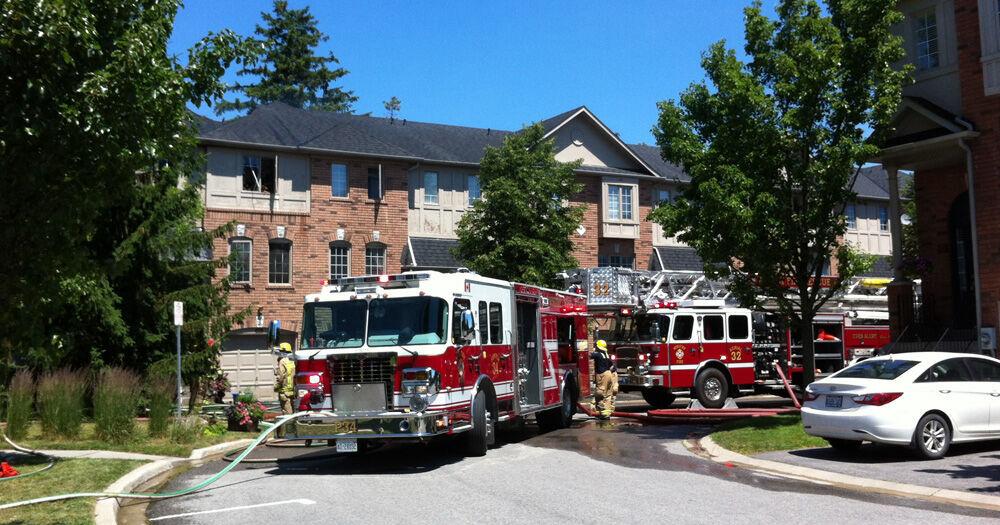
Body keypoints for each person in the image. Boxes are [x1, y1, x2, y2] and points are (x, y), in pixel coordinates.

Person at [591, 339, 618, 419]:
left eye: (596, 346)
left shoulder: (598, 354)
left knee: (600, 393)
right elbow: (611, 365)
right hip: (609, 374)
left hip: (602, 375)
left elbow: (589, 355)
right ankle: (607, 413)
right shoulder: (606, 354)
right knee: (608, 395)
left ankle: (602, 412)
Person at [274, 342, 295, 415]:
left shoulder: (282, 361)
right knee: (293, 409)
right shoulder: (293, 360)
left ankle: (289, 425)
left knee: (286, 411)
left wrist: (276, 387)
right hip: (293, 390)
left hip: (284, 390)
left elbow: (281, 376)